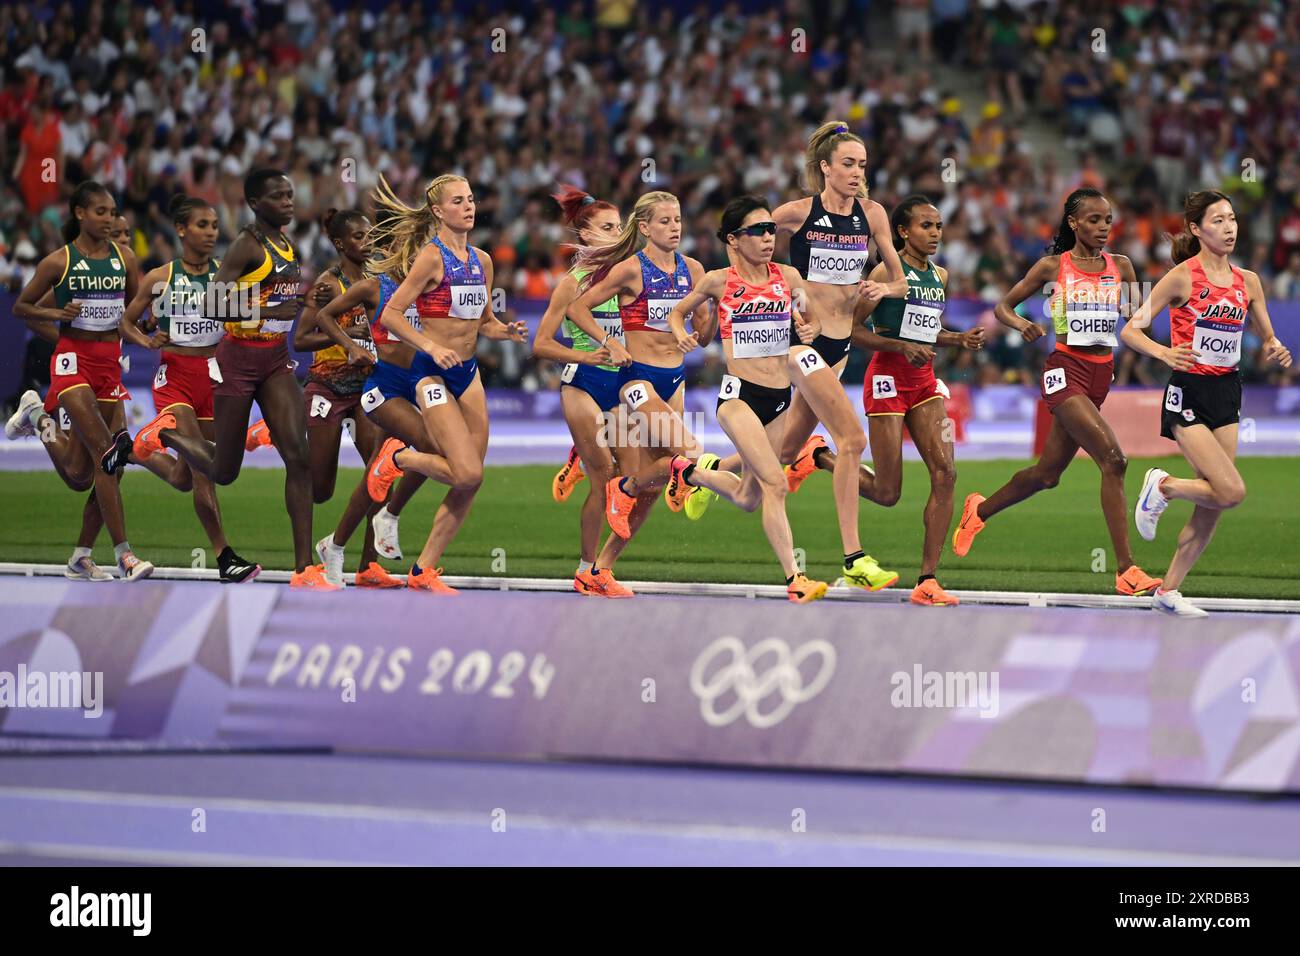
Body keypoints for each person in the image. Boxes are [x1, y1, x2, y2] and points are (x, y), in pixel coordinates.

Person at [611, 195, 830, 604]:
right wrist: (679, 332)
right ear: (734, 239)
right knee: (775, 484)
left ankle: (690, 473)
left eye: (771, 229)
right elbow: (678, 313)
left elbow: (812, 317)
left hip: (779, 395)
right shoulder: (717, 281)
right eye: (759, 231)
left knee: (748, 498)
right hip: (739, 398)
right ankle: (795, 579)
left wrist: (808, 327)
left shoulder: (789, 276)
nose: (769, 237)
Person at [716, 120, 903, 592]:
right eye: (848, 164)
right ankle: (854, 558)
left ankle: (704, 473)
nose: (858, 172)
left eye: (862, 164)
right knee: (851, 439)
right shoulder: (797, 214)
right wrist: (738, 288)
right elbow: (746, 239)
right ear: (825, 168)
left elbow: (899, 279)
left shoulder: (874, 215)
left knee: (774, 459)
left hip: (838, 347)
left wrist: (884, 286)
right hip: (798, 345)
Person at [952, 187, 1163, 597]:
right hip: (1065, 370)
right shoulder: (1053, 267)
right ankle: (1126, 570)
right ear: (1073, 223)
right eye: (1093, 220)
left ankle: (978, 510)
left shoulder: (1122, 266)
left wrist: (1148, 312)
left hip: (1102, 373)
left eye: (1108, 220)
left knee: (1047, 475)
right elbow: (1003, 307)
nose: (1103, 228)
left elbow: (1139, 325)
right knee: (1114, 460)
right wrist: (1022, 325)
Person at [132, 168, 334, 588]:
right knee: (224, 472)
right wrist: (266, 313)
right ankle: (164, 435)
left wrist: (306, 300)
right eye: (278, 196)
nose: (288, 202)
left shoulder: (287, 245)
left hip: (275, 360)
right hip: (238, 361)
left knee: (299, 458)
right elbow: (212, 302)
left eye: (290, 194)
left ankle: (304, 570)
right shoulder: (246, 244)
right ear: (256, 204)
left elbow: (276, 297)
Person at [1123, 190, 1292, 617]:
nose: (1229, 227)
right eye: (1217, 221)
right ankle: (1163, 486)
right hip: (1189, 392)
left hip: (1228, 392)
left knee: (1213, 503)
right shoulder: (1182, 277)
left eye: (1232, 219)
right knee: (1231, 491)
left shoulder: (1248, 281)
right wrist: (1164, 353)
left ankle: (1168, 591)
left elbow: (1266, 334)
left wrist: (1274, 345)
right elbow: (1132, 330)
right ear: (1197, 230)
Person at [363, 174, 528, 593]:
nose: (469, 206)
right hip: (431, 373)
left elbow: (484, 322)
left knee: (473, 478)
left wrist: (504, 331)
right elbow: (393, 315)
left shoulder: (483, 261)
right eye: (458, 201)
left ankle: (423, 571)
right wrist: (430, 347)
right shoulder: (431, 259)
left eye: (471, 199)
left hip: (467, 373)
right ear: (438, 211)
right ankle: (397, 461)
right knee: (465, 472)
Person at [7, 180, 153, 581]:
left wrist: (150, 326)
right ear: (80, 214)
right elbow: (22, 306)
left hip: (108, 363)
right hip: (72, 362)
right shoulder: (59, 262)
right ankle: (125, 556)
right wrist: (60, 315)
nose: (108, 219)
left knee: (82, 474)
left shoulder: (125, 259)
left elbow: (134, 313)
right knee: (108, 452)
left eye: (112, 212)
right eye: (100, 212)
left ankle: (37, 417)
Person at [846, 195, 985, 605]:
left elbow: (928, 329)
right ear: (903, 232)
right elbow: (852, 331)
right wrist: (900, 345)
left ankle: (927, 580)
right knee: (888, 493)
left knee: (946, 474)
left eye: (938, 226)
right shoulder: (886, 272)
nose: (936, 234)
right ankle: (818, 457)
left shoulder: (940, 275)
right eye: (926, 226)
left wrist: (957, 338)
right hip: (887, 379)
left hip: (924, 382)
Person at [119, 193, 259, 582]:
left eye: (214, 225)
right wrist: (146, 340)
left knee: (185, 477)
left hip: (213, 375)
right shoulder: (161, 278)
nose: (211, 232)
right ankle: (225, 557)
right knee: (202, 471)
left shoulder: (225, 276)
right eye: (202, 225)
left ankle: (133, 449)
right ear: (181, 229)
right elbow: (125, 323)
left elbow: (247, 322)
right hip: (176, 375)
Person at [530, 185, 635, 597]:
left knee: (636, 480)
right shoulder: (571, 284)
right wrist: (590, 355)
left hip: (625, 386)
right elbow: (541, 344)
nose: (619, 232)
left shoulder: (634, 274)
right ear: (587, 236)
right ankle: (586, 570)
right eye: (609, 227)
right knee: (603, 476)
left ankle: (606, 567)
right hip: (584, 381)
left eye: (621, 226)